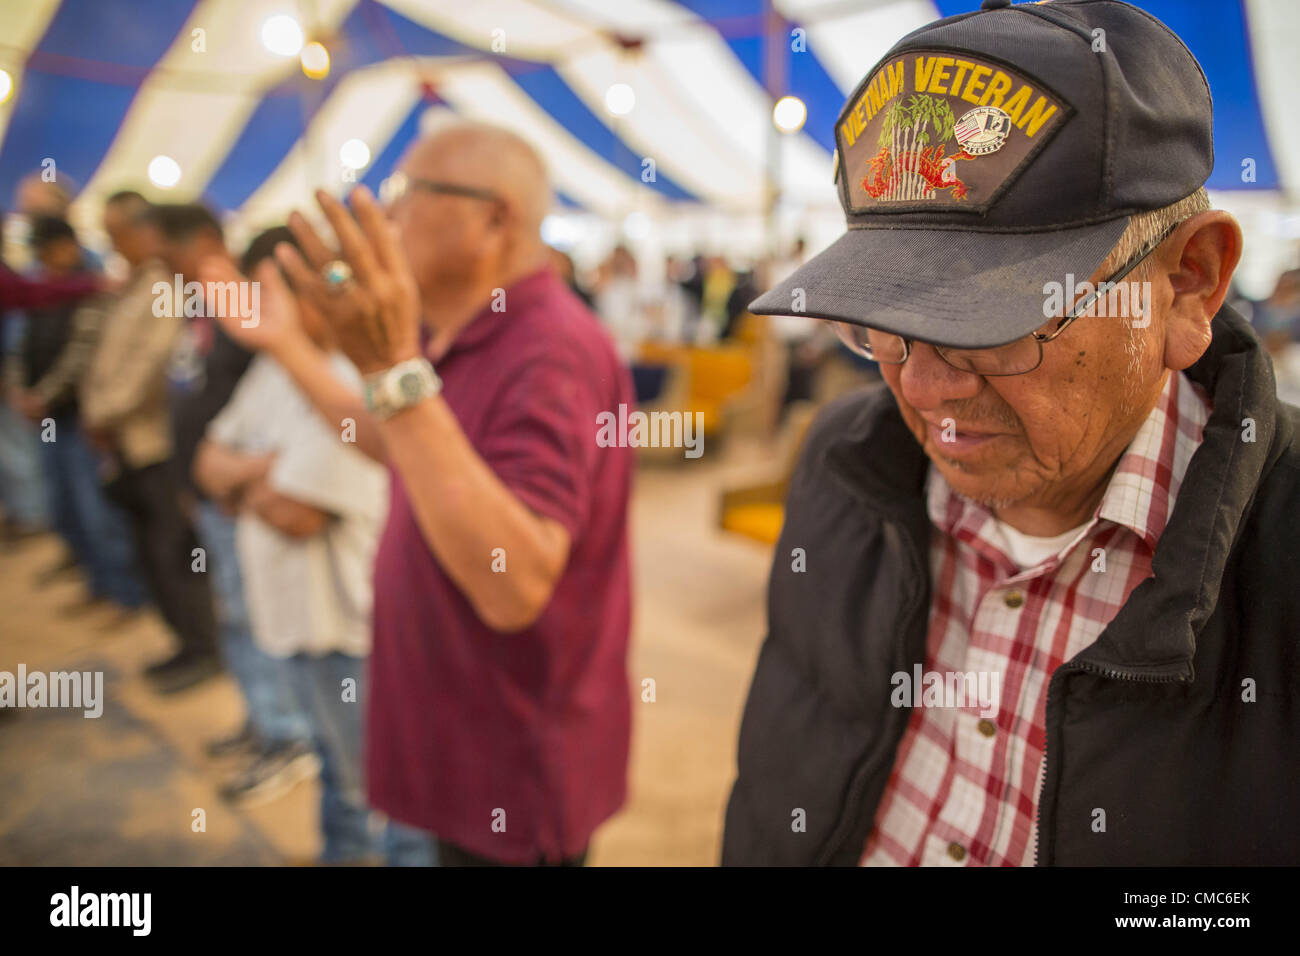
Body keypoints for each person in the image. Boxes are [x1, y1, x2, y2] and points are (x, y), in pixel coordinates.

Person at [725, 0, 1300, 865]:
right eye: (879, 318)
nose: (919, 387)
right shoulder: (846, 455)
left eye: (995, 320)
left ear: (1189, 283)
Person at [201, 120, 635, 866]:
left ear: (492, 218)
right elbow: (397, 443)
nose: (388, 220)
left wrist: (393, 370)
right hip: (458, 732)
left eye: (406, 196)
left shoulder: (548, 348)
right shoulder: (469, 333)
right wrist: (292, 347)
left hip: (508, 757)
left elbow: (516, 583)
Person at [195, 226, 389, 864]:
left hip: (349, 631)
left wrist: (241, 478)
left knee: (371, 794)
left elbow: (299, 513)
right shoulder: (276, 371)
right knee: (338, 773)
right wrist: (266, 471)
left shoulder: (356, 379)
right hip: (300, 623)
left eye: (273, 291)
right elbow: (206, 462)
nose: (257, 307)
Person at [81, 195, 220, 693]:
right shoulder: (137, 285)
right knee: (153, 551)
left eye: (122, 234)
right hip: (130, 443)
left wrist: (103, 412)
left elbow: (148, 366)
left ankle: (202, 648)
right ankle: (186, 643)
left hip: (154, 443)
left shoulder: (163, 288)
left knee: (175, 553)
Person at [8, 216, 143, 613]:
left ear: (69, 245)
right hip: (46, 416)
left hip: (78, 417)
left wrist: (42, 396)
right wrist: (23, 392)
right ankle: (98, 583)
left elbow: (81, 355)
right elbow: (20, 344)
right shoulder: (42, 288)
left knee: (96, 507)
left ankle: (125, 595)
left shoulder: (91, 288)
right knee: (62, 503)